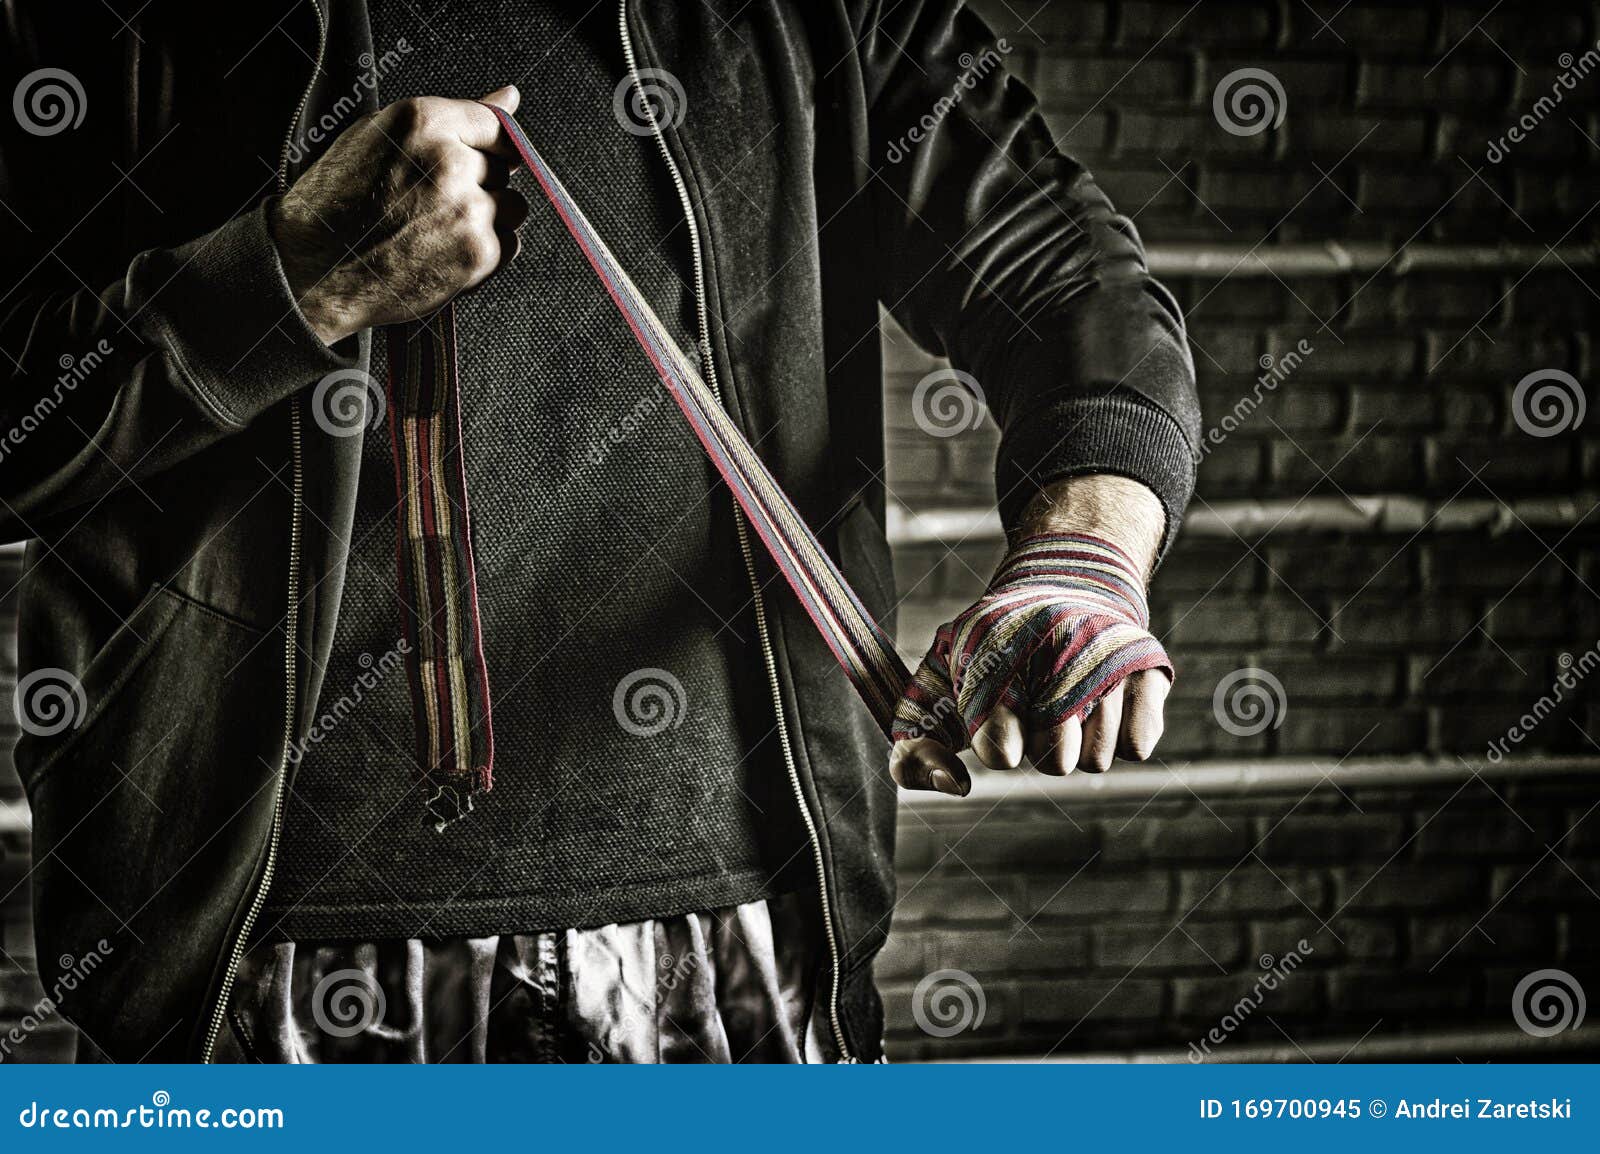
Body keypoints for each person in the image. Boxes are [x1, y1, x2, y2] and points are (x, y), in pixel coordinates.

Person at [0, 0, 1199, 1063]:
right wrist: (288, 279)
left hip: (738, 934)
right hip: (265, 955)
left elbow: (1065, 277)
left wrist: (1081, 555)